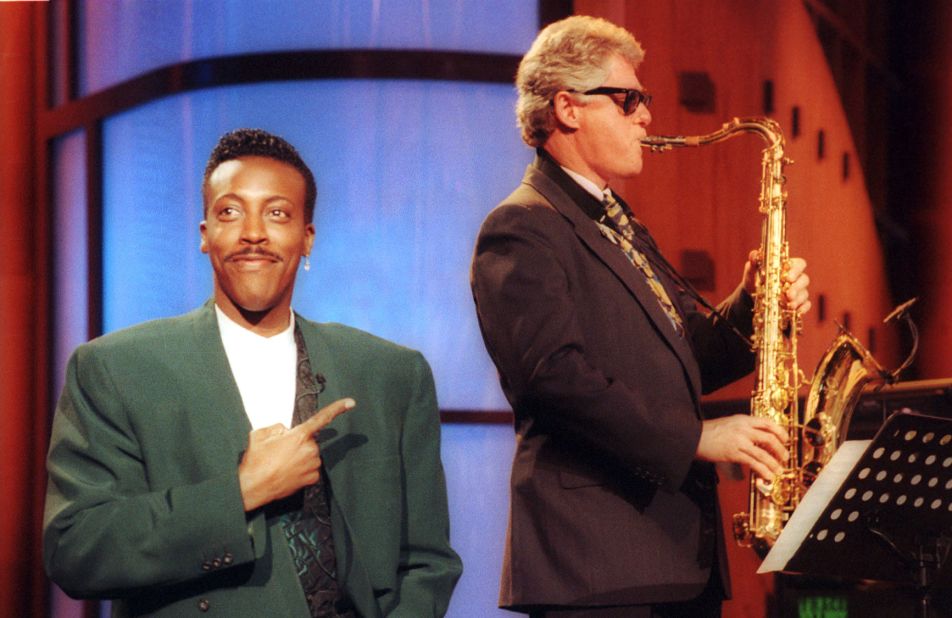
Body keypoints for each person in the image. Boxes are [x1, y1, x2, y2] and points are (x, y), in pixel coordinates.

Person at [470, 16, 810, 617]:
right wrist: (697, 437)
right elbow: (555, 380)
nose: (646, 116)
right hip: (598, 566)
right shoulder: (521, 227)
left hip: (673, 559)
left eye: (643, 101)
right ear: (568, 108)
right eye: (629, 100)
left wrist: (757, 305)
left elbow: (689, 359)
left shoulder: (618, 223)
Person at [44, 128, 462, 617]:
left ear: (307, 238)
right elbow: (75, 549)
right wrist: (240, 493)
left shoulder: (391, 374)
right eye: (230, 211)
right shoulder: (117, 368)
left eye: (278, 213)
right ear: (205, 235)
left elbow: (426, 563)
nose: (254, 233)